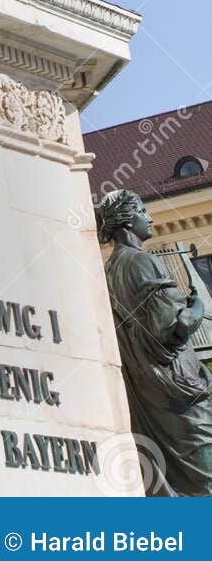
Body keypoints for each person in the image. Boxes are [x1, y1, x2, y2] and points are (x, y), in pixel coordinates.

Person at [96, 189, 212, 496]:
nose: (150, 217)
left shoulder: (107, 272)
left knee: (166, 478)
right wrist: (198, 305)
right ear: (126, 220)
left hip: (145, 390)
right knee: (204, 474)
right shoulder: (142, 262)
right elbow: (179, 327)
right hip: (177, 389)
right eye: (143, 211)